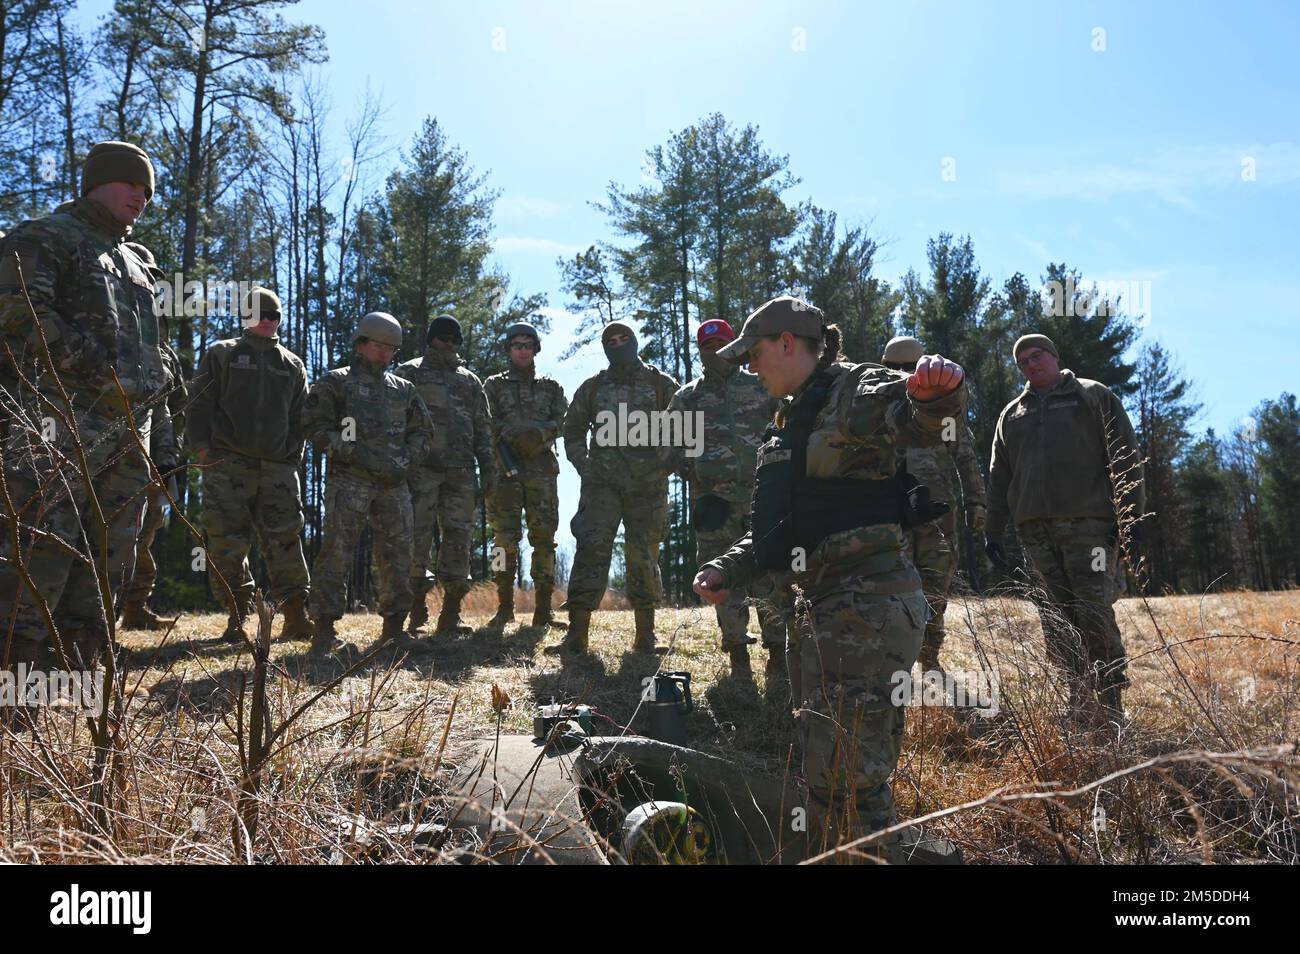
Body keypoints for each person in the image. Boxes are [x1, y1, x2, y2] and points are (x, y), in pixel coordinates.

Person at [692, 295, 965, 856]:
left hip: (867, 609)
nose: (748, 367)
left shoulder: (853, 390)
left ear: (787, 344)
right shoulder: (796, 415)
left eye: (755, 353)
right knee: (828, 778)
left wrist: (939, 392)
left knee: (854, 783)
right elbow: (786, 525)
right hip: (825, 613)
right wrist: (730, 566)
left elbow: (916, 416)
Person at [0, 140, 165, 671]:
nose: (139, 195)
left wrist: (161, 372)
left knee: (112, 551)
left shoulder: (136, 263)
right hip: (58, 420)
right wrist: (97, 363)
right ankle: (17, 688)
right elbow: (19, 316)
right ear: (95, 182)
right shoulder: (46, 236)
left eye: (147, 188)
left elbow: (147, 342)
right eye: (129, 182)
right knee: (42, 547)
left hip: (128, 429)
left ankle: (81, 677)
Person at [985, 333, 1144, 717]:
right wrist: (993, 528)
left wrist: (1132, 519)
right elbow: (999, 474)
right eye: (1022, 362)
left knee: (1093, 609)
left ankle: (1110, 704)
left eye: (1036, 356)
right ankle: (1079, 699)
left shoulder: (1092, 396)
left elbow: (1125, 457)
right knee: (1056, 617)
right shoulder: (1012, 414)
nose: (1030, 365)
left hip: (1089, 527)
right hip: (1035, 533)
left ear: (1054, 356)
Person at [187, 286, 314, 642]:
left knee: (285, 541)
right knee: (226, 544)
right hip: (227, 466)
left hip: (278, 471)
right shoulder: (221, 354)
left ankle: (295, 616)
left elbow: (300, 416)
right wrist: (202, 450)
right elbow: (199, 404)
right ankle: (236, 617)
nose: (268, 321)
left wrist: (291, 459)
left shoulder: (291, 364)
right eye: (261, 314)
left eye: (274, 316)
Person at [303, 312, 435, 656]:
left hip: (394, 485)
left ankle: (394, 630)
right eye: (378, 346)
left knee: (398, 555)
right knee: (336, 553)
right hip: (350, 482)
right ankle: (324, 632)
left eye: (391, 348)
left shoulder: (403, 390)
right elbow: (315, 426)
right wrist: (350, 452)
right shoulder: (336, 383)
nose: (384, 354)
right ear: (361, 344)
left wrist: (405, 460)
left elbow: (423, 432)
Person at [665, 319, 784, 681]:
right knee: (721, 581)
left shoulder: (762, 386)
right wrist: (697, 471)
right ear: (699, 350)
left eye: (722, 343)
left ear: (736, 346)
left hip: (762, 498)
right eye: (707, 345)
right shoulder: (688, 397)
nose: (714, 351)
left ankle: (779, 656)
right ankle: (738, 660)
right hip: (712, 503)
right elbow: (669, 447)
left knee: (771, 578)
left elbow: (787, 426)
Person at [558, 321, 678, 654]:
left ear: (635, 341)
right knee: (591, 551)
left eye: (624, 338)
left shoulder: (660, 384)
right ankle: (576, 636)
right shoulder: (593, 387)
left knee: (643, 556)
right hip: (602, 487)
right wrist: (586, 466)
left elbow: (684, 426)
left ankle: (646, 636)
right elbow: (572, 430)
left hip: (647, 487)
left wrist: (664, 465)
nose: (618, 344)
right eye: (611, 341)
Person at [881, 335, 987, 675]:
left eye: (908, 368)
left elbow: (965, 454)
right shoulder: (876, 405)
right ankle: (897, 661)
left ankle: (930, 659)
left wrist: (976, 503)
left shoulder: (943, 406)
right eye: (893, 368)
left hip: (938, 512)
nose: (901, 374)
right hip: (889, 514)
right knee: (892, 588)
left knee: (935, 586)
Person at [395, 315, 495, 637]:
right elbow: (394, 424)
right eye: (442, 337)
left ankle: (451, 614)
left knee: (458, 541)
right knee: (415, 540)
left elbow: (483, 429)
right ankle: (415, 610)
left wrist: (489, 467)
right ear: (430, 338)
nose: (449, 343)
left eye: (454, 338)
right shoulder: (409, 374)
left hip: (461, 474)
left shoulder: (469, 381)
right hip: (419, 472)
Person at [119, 241, 188, 630]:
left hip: (154, 451)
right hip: (107, 446)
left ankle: (134, 606)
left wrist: (168, 460)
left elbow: (170, 407)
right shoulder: (108, 320)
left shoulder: (160, 340)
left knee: (143, 531)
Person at [483, 322, 568, 628]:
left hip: (542, 472)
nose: (522, 350)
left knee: (544, 540)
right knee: (501, 541)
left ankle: (543, 610)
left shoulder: (551, 387)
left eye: (527, 345)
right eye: (516, 345)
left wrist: (539, 434)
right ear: (508, 349)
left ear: (535, 349)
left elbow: (564, 419)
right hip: (504, 471)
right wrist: (510, 434)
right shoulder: (493, 385)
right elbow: (484, 420)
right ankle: (503, 606)